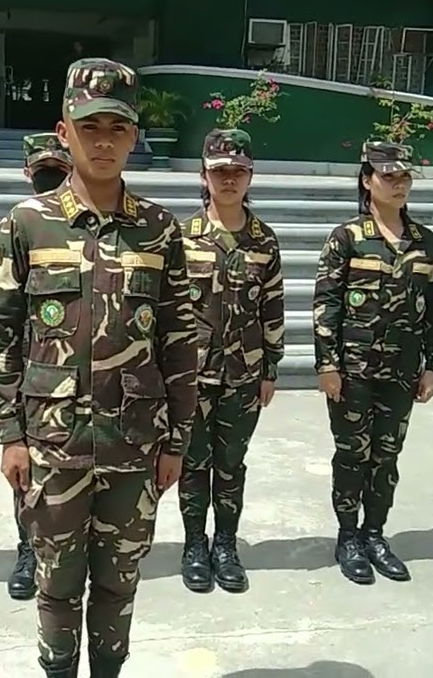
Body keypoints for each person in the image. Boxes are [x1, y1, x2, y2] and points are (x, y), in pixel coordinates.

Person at [0, 58, 198, 678]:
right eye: (90, 126)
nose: (104, 141)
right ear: (63, 132)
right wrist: (10, 435)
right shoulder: (23, 225)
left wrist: (177, 441)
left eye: (118, 128)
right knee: (54, 585)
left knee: (119, 584)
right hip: (52, 445)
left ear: (134, 136)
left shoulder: (160, 230)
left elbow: (180, 343)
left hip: (134, 445)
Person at [311, 141, 433, 586]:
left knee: (386, 457)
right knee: (352, 455)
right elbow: (326, 303)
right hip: (353, 371)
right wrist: (326, 365)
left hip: (402, 371)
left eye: (404, 177)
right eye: (389, 176)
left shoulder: (425, 242)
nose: (399, 184)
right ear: (367, 180)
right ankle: (348, 537)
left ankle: (375, 534)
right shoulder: (347, 237)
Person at [177, 128, 284, 595]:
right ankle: (194, 545)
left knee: (231, 464)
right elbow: (170, 313)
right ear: (204, 174)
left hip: (244, 374)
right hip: (192, 376)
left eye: (238, 171)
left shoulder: (264, 241)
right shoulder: (182, 238)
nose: (229, 179)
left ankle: (225, 544)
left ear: (251, 176)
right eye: (220, 171)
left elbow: (273, 308)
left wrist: (271, 368)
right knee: (191, 463)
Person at [0, 131, 74, 602]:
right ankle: (27, 549)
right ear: (27, 172)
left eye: (56, 167)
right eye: (42, 169)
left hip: (72, 376)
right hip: (26, 373)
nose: (48, 175)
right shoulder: (16, 227)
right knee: (26, 471)